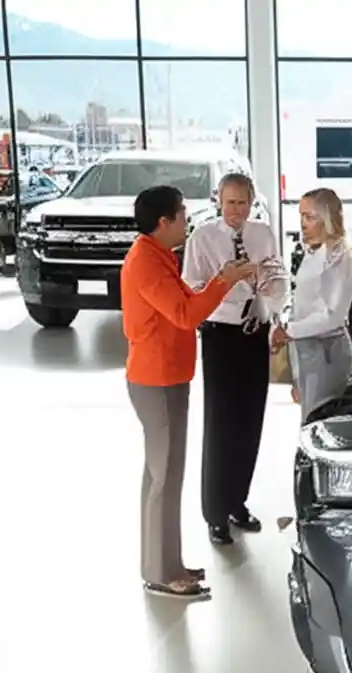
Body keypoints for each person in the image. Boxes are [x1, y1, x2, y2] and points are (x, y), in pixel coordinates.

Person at [122, 185, 255, 598]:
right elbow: (185, 314)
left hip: (167, 377)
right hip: (156, 381)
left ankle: (164, 563)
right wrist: (224, 280)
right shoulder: (146, 263)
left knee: (160, 475)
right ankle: (163, 574)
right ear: (164, 222)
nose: (186, 220)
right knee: (165, 478)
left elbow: (183, 303)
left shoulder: (158, 255)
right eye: (181, 214)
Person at [181, 173, 287, 545]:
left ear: (252, 202)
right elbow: (191, 286)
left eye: (242, 202)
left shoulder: (262, 233)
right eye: (230, 203)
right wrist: (226, 281)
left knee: (249, 421)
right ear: (218, 201)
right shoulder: (202, 237)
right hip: (220, 334)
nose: (236, 210)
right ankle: (215, 513)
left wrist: (268, 289)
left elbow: (277, 277)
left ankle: (237, 501)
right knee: (221, 424)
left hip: (254, 329)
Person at [271, 188, 352, 422]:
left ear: (326, 218)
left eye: (309, 217)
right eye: (301, 216)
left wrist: (289, 332)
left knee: (318, 424)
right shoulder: (314, 253)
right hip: (309, 351)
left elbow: (333, 316)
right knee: (310, 423)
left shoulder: (340, 260)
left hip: (327, 352)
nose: (303, 223)